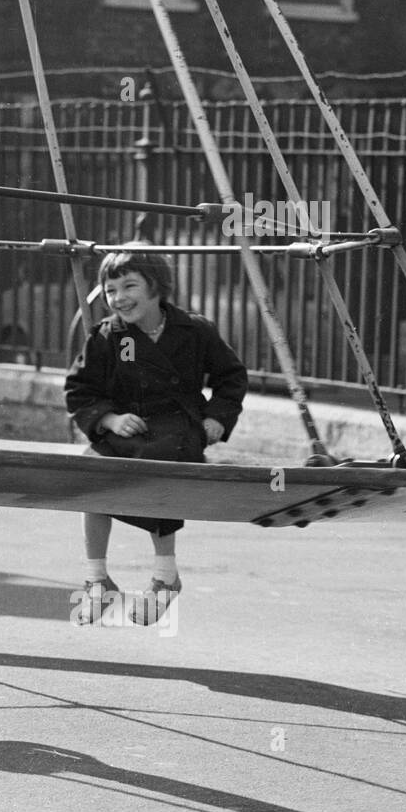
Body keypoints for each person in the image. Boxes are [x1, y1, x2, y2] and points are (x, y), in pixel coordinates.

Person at [63, 249, 247, 627]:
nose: (119, 297)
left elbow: (231, 379)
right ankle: (97, 578)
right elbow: (80, 390)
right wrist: (109, 419)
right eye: (110, 290)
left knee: (161, 471)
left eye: (129, 285)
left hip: (177, 427)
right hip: (125, 428)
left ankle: (165, 577)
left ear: (156, 288)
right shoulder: (106, 336)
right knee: (91, 471)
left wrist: (216, 419)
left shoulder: (195, 331)